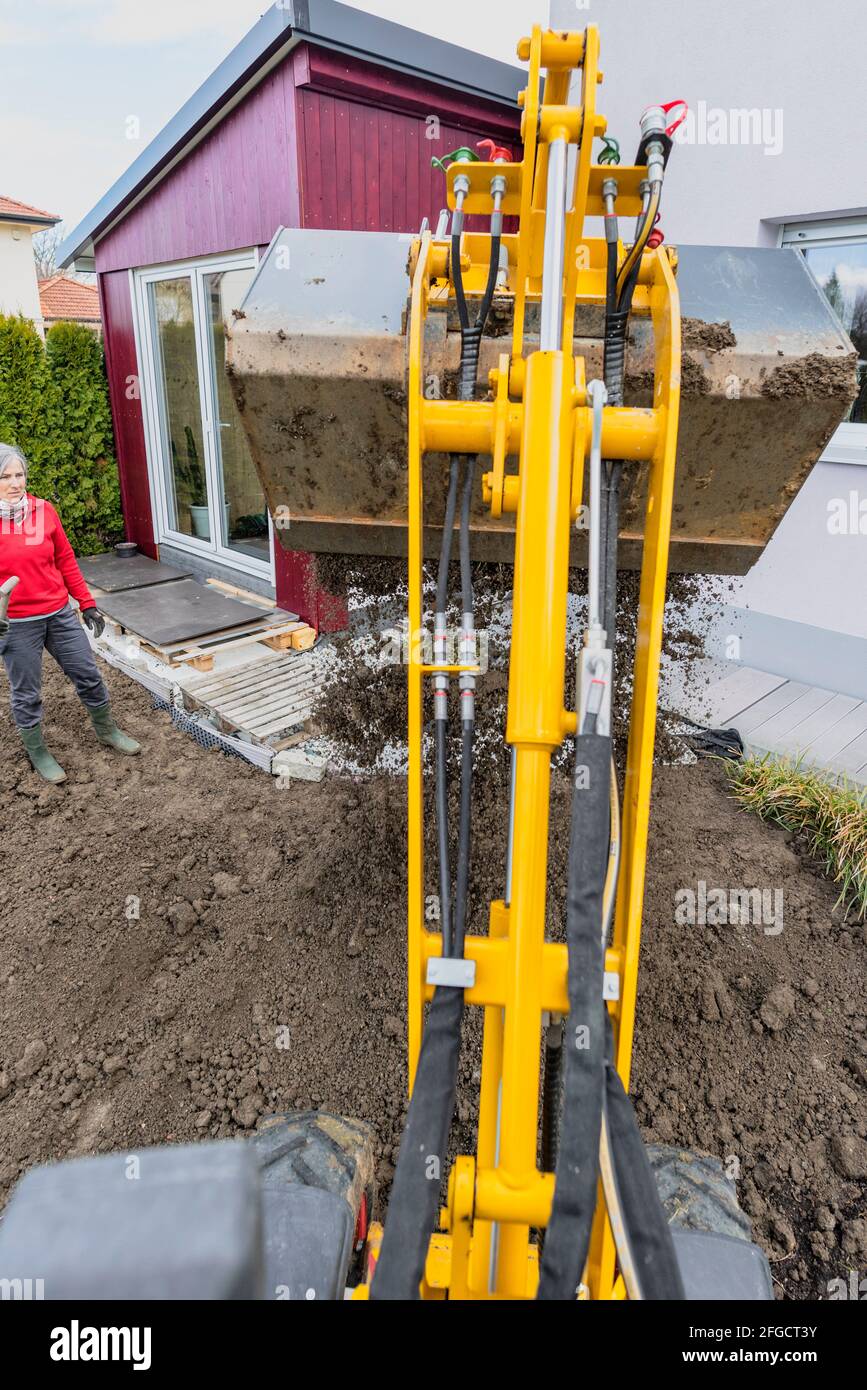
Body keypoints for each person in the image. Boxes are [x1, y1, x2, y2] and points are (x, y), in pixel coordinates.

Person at [0, 442, 140, 784]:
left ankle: (106, 729)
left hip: (58, 613)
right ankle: (38, 752)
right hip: (16, 623)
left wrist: (86, 603)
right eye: (6, 476)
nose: (16, 483)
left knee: (88, 674)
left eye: (20, 475)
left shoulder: (44, 511)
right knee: (27, 693)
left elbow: (64, 559)